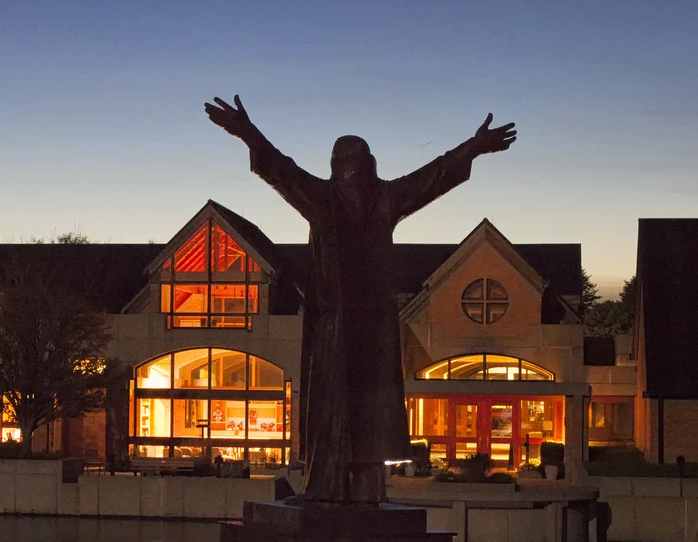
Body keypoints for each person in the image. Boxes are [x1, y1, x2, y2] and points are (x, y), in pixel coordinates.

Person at [205, 96, 516, 505]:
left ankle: (356, 491)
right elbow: (282, 169)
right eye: (345, 165)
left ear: (365, 166)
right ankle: (328, 488)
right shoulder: (332, 199)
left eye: (355, 164)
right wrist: (247, 133)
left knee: (364, 409)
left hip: (363, 328)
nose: (351, 174)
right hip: (338, 323)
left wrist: (472, 148)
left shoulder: (373, 199)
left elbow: (432, 176)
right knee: (335, 407)